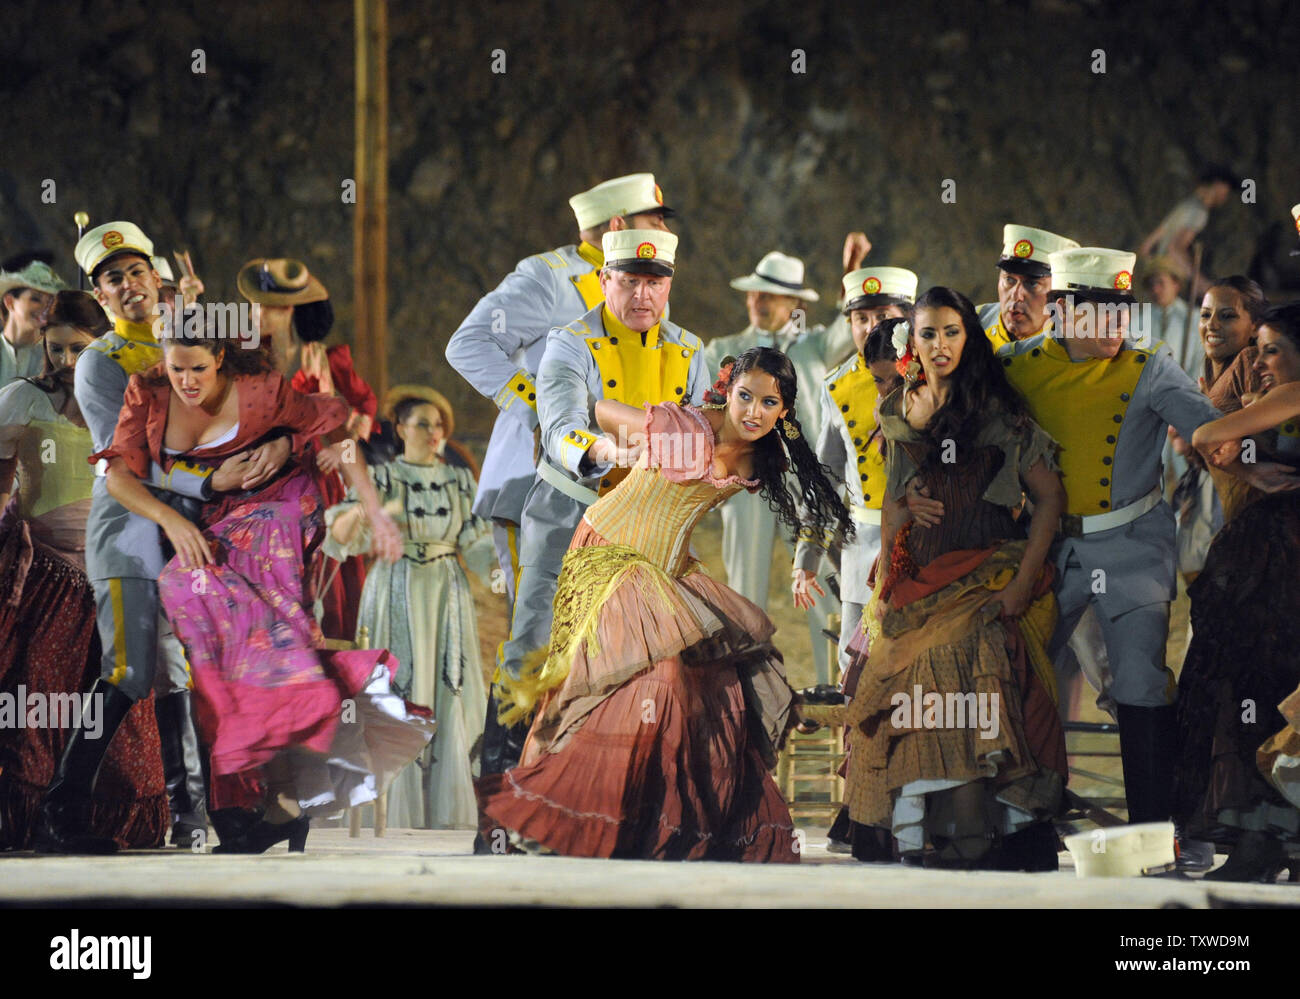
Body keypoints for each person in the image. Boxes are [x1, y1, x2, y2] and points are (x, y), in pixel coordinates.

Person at [478, 346, 852, 860]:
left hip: (666, 568)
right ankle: (563, 819)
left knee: (712, 683)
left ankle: (660, 824)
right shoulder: (686, 428)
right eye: (745, 397)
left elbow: (817, 496)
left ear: (784, 410)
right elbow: (600, 407)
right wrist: (617, 450)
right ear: (728, 391)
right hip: (608, 553)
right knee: (644, 679)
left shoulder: (767, 453)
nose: (754, 412)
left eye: (769, 403)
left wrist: (811, 561)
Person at [93, 312, 433, 853]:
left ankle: (293, 776)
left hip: (279, 509)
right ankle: (277, 803)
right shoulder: (149, 390)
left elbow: (339, 419)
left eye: (198, 368)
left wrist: (363, 500)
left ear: (221, 358)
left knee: (249, 630)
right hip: (216, 518)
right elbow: (117, 474)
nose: (186, 380)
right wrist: (174, 521)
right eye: (177, 366)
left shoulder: (263, 390)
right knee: (200, 608)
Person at [995, 249, 1294, 828]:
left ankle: (1155, 830)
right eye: (1098, 312)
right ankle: (1022, 824)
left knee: (1140, 682)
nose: (1115, 326)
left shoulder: (1150, 364)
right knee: (1028, 676)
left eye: (1121, 311)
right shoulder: (1016, 365)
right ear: (1061, 311)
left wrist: (1248, 468)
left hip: (1132, 545)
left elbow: (1207, 427)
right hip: (1047, 547)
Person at [445, 173, 674, 788]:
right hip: (535, 480)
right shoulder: (547, 276)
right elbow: (467, 345)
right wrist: (538, 405)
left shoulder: (645, 287)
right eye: (657, 218)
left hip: (620, 491)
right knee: (536, 631)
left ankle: (569, 788)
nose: (667, 230)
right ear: (621, 225)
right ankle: (499, 788)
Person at [841, 286, 1067, 870]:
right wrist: (889, 572)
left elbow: (1049, 499)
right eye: (928, 334)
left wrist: (1022, 581)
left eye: (951, 332)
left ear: (969, 337)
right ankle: (923, 836)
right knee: (892, 682)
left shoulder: (998, 410)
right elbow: (892, 502)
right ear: (911, 341)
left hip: (986, 571)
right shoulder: (897, 409)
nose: (940, 345)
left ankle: (981, 834)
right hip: (917, 576)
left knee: (965, 666)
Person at [34, 222, 242, 854]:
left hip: (194, 527)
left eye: (136, 273)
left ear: (158, 280)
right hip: (129, 527)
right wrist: (201, 494)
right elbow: (125, 460)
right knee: (127, 671)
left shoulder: (192, 342)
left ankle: (208, 815)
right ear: (100, 298)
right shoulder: (99, 362)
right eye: (112, 279)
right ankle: (61, 811)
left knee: (196, 668)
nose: (128, 286)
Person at [489, 227, 708, 791]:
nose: (642, 295)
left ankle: (618, 795)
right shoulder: (569, 343)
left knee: (642, 657)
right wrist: (600, 450)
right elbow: (560, 424)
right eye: (629, 281)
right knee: (538, 643)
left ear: (668, 288)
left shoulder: (690, 350)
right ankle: (503, 792)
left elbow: (704, 436)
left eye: (654, 283)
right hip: (569, 509)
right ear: (604, 280)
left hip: (646, 523)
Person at [0, 291, 169, 850]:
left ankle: (93, 819)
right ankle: (37, 820)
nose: (68, 362)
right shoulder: (23, 399)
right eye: (56, 349)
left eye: (81, 349)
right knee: (38, 699)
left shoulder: (130, 399)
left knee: (121, 696)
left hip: (114, 565)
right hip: (47, 574)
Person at [325, 385, 495, 829]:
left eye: (439, 425)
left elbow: (476, 542)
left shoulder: (460, 481)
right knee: (394, 688)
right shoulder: (379, 478)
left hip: (444, 589)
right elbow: (341, 537)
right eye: (424, 424)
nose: (434, 432)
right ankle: (388, 807)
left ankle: (441, 811)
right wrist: (363, 512)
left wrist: (501, 578)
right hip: (394, 584)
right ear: (400, 429)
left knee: (446, 686)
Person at [1173, 302, 1300, 881]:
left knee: (1248, 688)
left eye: (1270, 348)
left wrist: (1239, 446)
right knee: (1272, 697)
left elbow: (1203, 433)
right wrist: (1247, 466)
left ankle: (1260, 838)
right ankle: (1270, 837)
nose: (1259, 361)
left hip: (1276, 564)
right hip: (1275, 562)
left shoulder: (1291, 395)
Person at [704, 248, 861, 685]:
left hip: (806, 483)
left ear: (795, 306)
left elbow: (853, 326)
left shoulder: (812, 346)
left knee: (822, 582)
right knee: (744, 586)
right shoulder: (727, 350)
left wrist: (852, 275)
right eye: (756, 293)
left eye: (771, 295)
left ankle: (833, 684)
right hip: (745, 477)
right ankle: (745, 694)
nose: (760, 302)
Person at [237, 257, 377, 640]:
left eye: (268, 306)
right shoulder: (244, 357)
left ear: (290, 311)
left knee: (322, 580)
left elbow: (360, 417)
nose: (258, 313)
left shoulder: (323, 360)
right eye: (255, 305)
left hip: (317, 480)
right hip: (260, 478)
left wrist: (340, 452)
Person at [792, 267, 916, 685]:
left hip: (928, 537)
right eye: (859, 318)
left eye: (882, 316)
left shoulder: (935, 378)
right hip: (861, 544)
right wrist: (807, 556)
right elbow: (825, 480)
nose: (869, 328)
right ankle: (857, 751)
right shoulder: (837, 386)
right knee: (856, 666)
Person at [1138, 165, 1239, 296]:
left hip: (1161, 283)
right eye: (1227, 190)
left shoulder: (1185, 205)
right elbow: (1174, 248)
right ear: (1218, 185)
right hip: (1174, 283)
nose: (1226, 196)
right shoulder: (1199, 212)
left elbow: (1145, 248)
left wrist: (1155, 268)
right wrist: (1201, 283)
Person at [976, 224, 1079, 349]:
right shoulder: (968, 321)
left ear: (1060, 293)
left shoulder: (1076, 348)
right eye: (1009, 280)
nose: (1016, 295)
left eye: (1032, 283)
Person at [0, 259, 66, 385]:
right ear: (10, 302)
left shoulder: (54, 354)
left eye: (50, 301)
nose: (45, 307)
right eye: (36, 299)